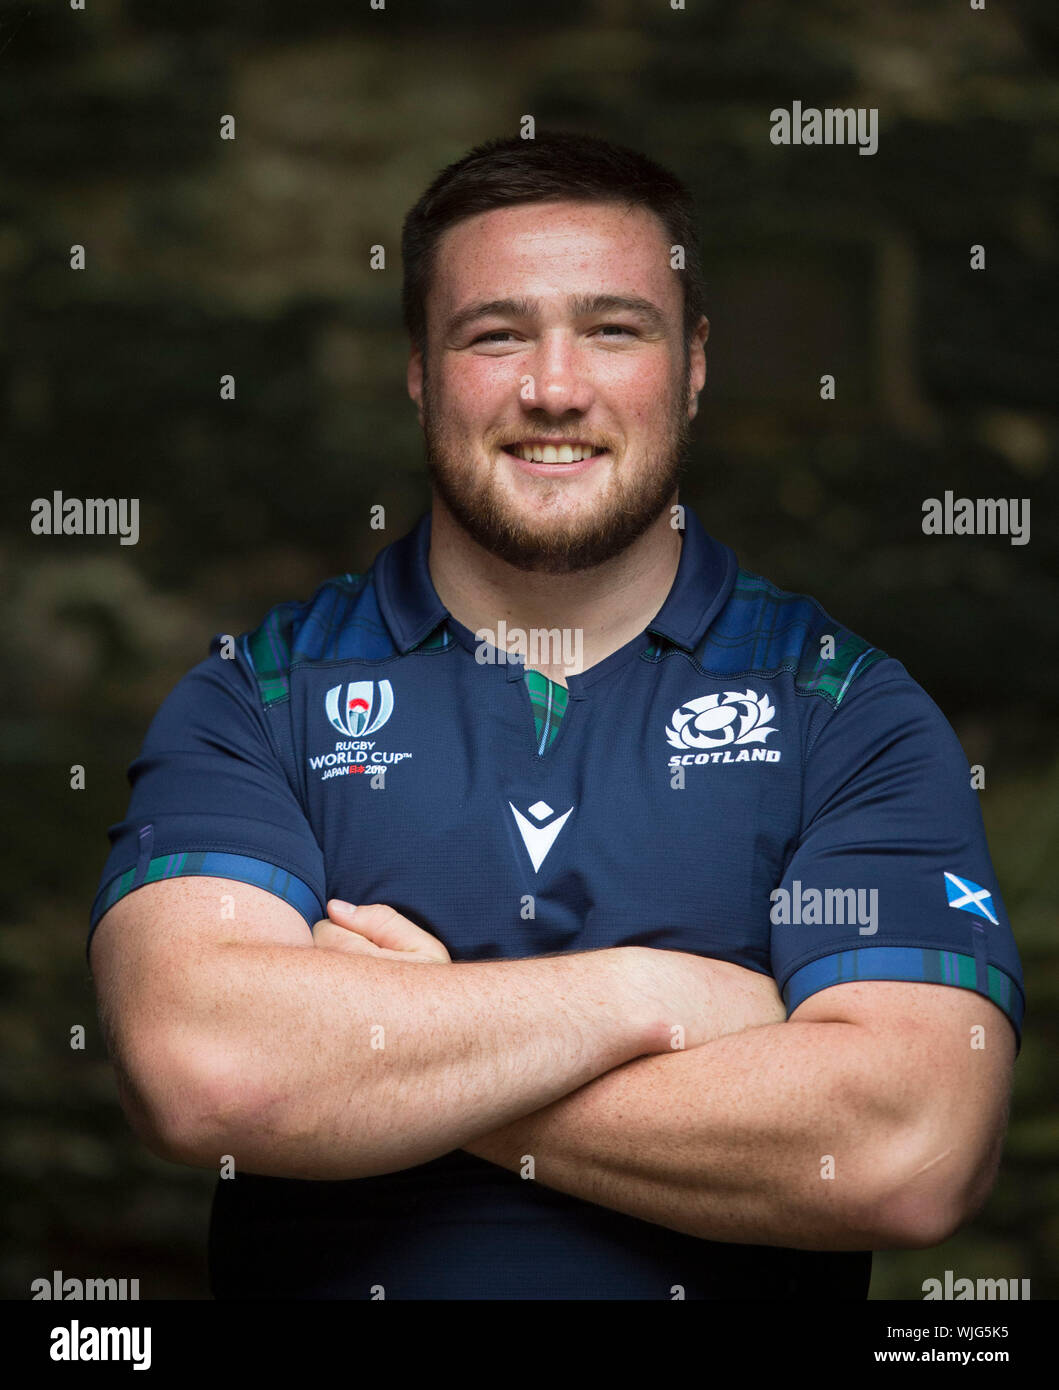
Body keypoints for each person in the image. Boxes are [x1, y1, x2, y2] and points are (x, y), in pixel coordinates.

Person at [88, 131, 1023, 1300]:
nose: (555, 388)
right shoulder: (261, 694)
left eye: (614, 328)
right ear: (420, 371)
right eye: (496, 333)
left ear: (692, 366)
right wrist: (659, 999)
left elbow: (909, 1150)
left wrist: (400, 1040)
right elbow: (208, 1070)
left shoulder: (846, 710)